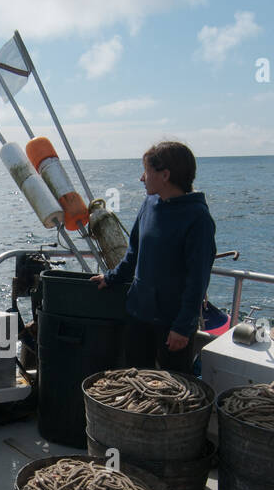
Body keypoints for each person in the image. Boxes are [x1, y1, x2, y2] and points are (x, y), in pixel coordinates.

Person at [90, 141, 216, 374]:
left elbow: (197, 280)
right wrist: (112, 278)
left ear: (165, 175)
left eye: (146, 171)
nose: (141, 178)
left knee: (173, 390)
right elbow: (134, 252)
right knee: (135, 380)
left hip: (173, 324)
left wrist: (183, 326)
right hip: (139, 313)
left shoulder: (198, 219)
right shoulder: (149, 204)